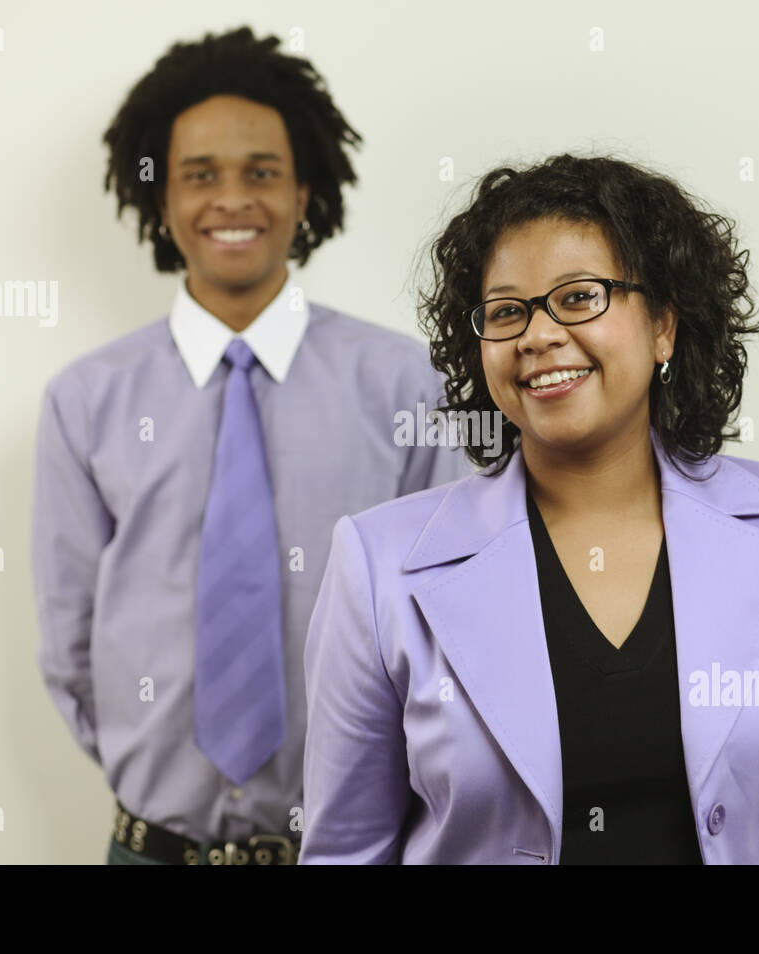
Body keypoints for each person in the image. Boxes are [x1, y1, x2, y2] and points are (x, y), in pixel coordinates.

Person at [300, 153, 759, 864]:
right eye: (506, 311)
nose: (539, 334)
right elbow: (344, 854)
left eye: (579, 297)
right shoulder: (378, 566)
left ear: (664, 327)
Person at [31, 27, 470, 866]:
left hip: (355, 849)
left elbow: (445, 625)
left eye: (261, 172)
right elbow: (71, 648)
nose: (232, 199)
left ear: (305, 190)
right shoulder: (84, 402)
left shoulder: (408, 387)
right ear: (160, 198)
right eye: (200, 175)